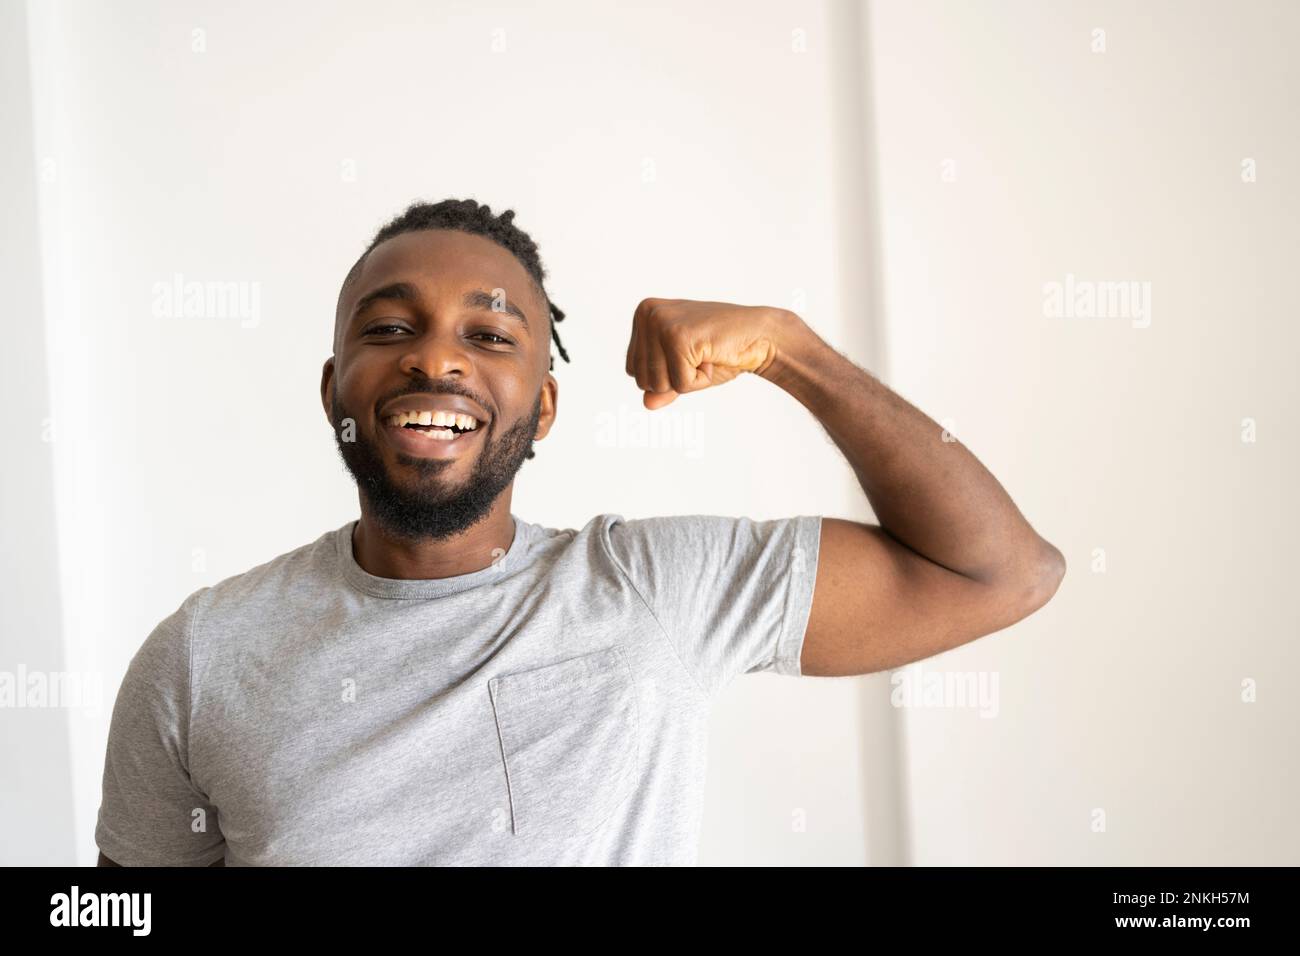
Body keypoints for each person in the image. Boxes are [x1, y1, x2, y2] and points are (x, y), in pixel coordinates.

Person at [95, 198, 1064, 866]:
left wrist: (788, 347)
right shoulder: (200, 658)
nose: (435, 358)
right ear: (330, 390)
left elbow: (1001, 571)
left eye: (488, 334)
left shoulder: (654, 589)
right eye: (389, 330)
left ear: (544, 405)